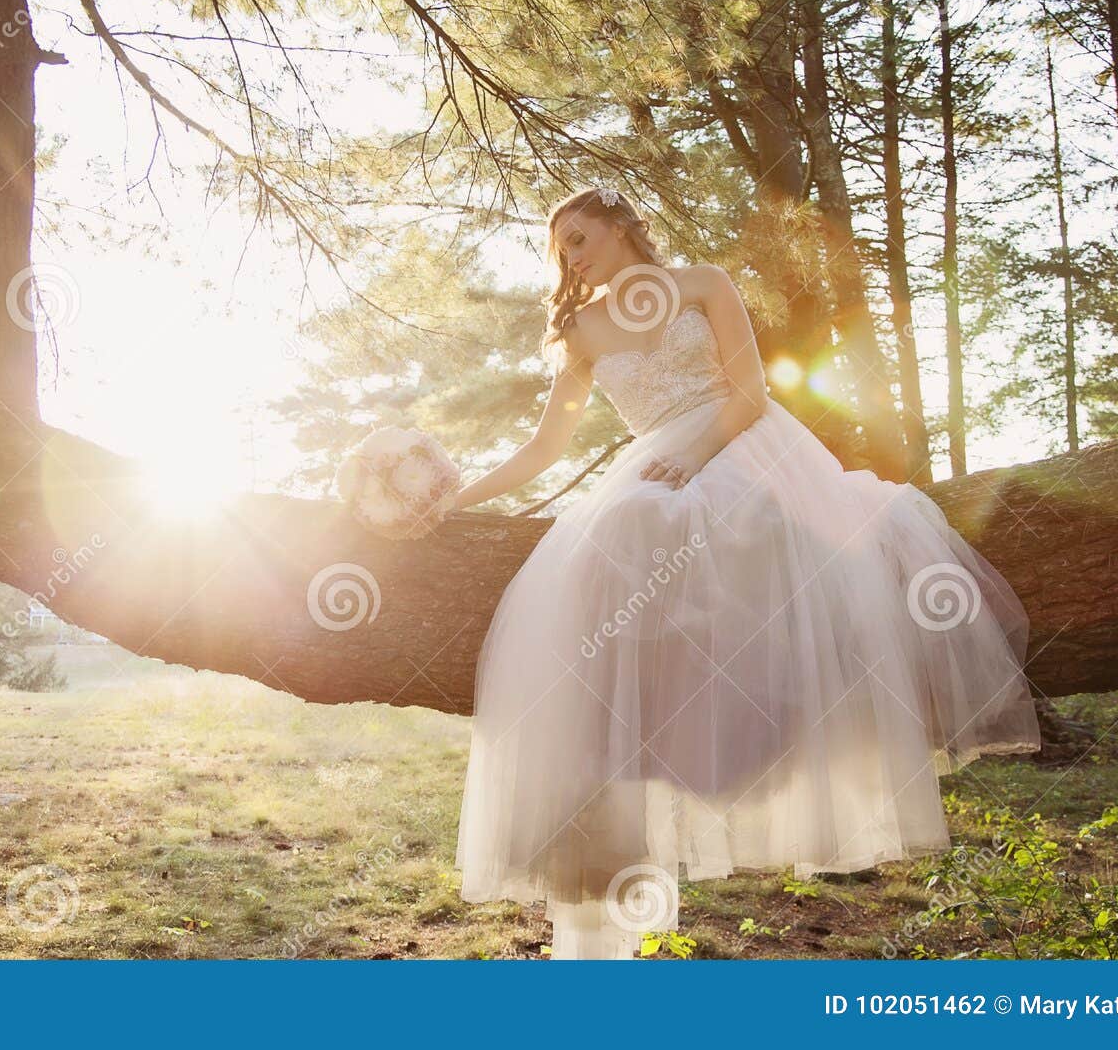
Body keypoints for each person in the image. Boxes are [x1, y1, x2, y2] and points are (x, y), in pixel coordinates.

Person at [445, 185, 1041, 959]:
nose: (574, 256)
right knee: (623, 533)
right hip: (654, 460)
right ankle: (652, 756)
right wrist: (458, 498)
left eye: (583, 237)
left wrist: (695, 458)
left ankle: (762, 730)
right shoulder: (583, 327)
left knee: (736, 531)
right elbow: (544, 448)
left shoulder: (703, 283)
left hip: (740, 444)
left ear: (624, 227)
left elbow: (752, 392)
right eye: (563, 248)